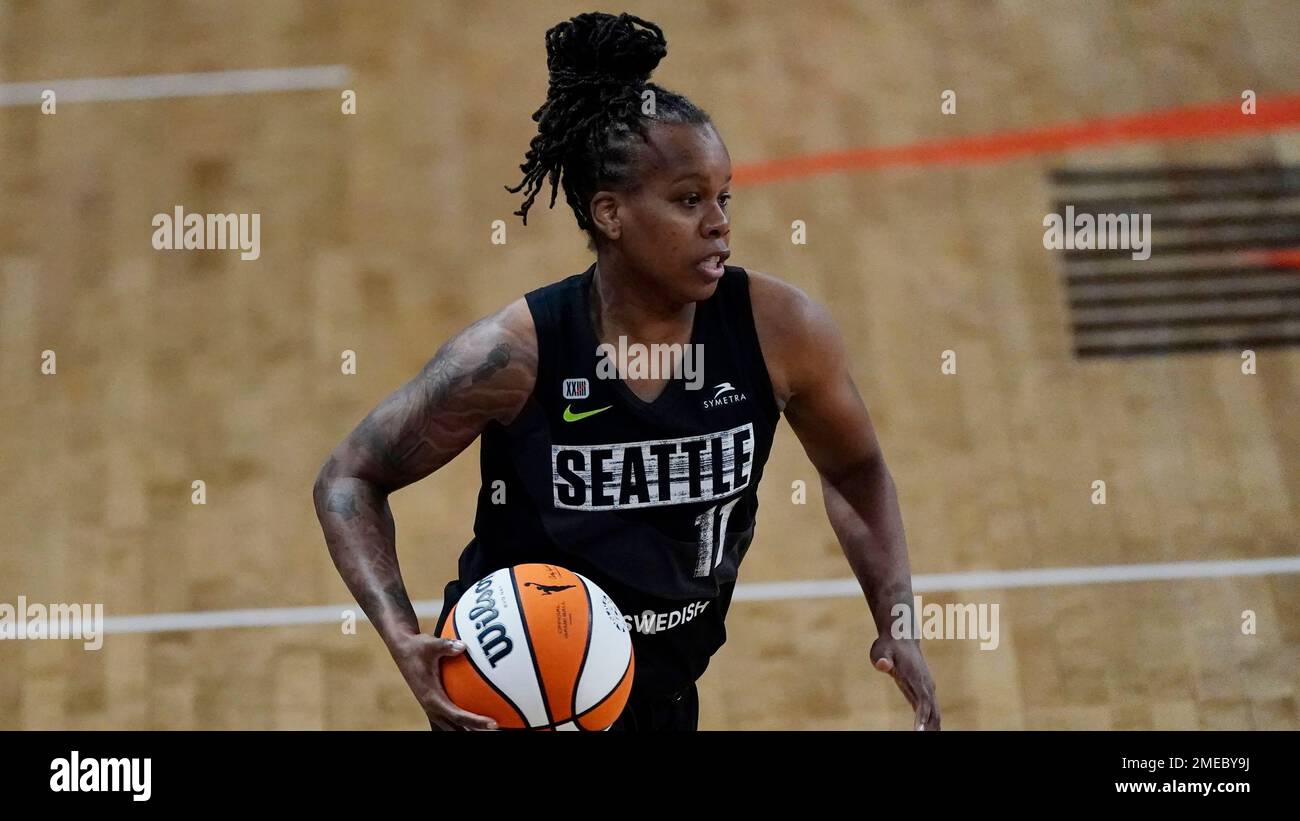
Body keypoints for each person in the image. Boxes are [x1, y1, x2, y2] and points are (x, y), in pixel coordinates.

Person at [313, 11, 939, 732]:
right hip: (512, 702)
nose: (719, 222)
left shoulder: (782, 332)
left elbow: (857, 471)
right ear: (609, 212)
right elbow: (349, 477)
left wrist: (898, 621)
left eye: (723, 196)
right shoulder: (518, 352)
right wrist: (400, 635)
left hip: (660, 701)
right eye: (688, 200)